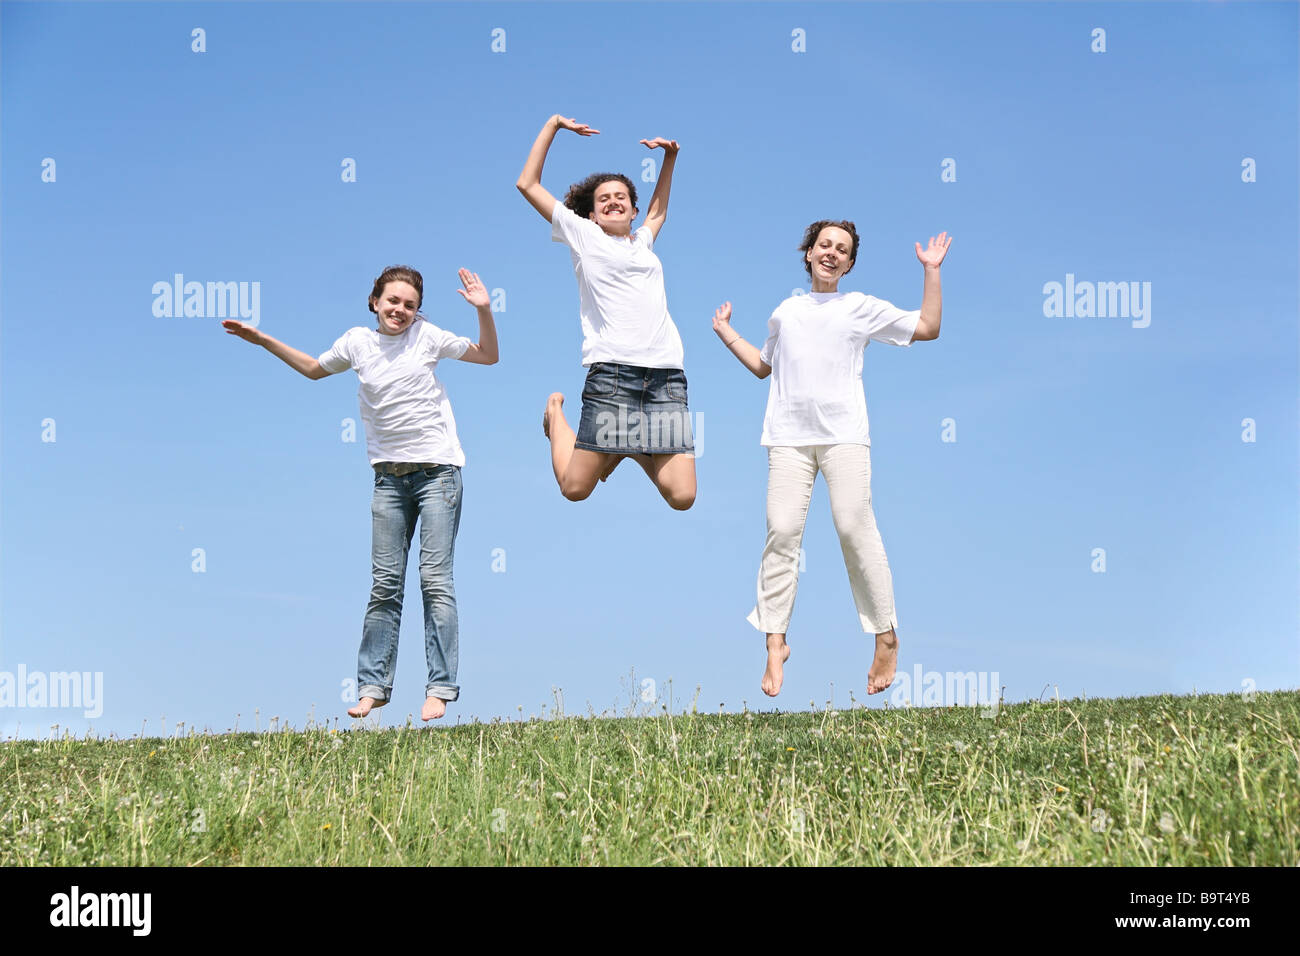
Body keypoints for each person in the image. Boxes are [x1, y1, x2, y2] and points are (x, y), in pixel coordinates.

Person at [223, 266, 499, 721]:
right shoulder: (357, 342)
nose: (401, 311)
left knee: (435, 581)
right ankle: (372, 687)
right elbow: (314, 369)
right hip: (388, 480)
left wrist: (484, 310)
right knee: (385, 586)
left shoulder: (427, 337)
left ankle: (440, 688)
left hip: (438, 475)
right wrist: (263, 340)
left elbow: (488, 355)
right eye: (393, 301)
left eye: (410, 305)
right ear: (375, 301)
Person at [712, 221, 952, 698]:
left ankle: (885, 634)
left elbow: (928, 328)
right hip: (788, 438)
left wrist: (931, 271)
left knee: (852, 526)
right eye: (825, 245)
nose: (832, 253)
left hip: (844, 436)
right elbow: (764, 366)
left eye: (842, 250)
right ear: (808, 253)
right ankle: (775, 642)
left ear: (850, 263)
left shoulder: (859, 307)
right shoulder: (786, 311)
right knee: (781, 532)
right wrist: (725, 331)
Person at [516, 113, 696, 510]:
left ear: (632, 210)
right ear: (592, 214)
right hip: (613, 374)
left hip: (666, 376)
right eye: (604, 199)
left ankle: (628, 446)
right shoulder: (584, 236)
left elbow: (659, 213)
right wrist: (553, 126)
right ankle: (554, 414)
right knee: (575, 488)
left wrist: (670, 158)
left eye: (622, 198)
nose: (614, 201)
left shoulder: (643, 245)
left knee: (682, 496)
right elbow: (526, 184)